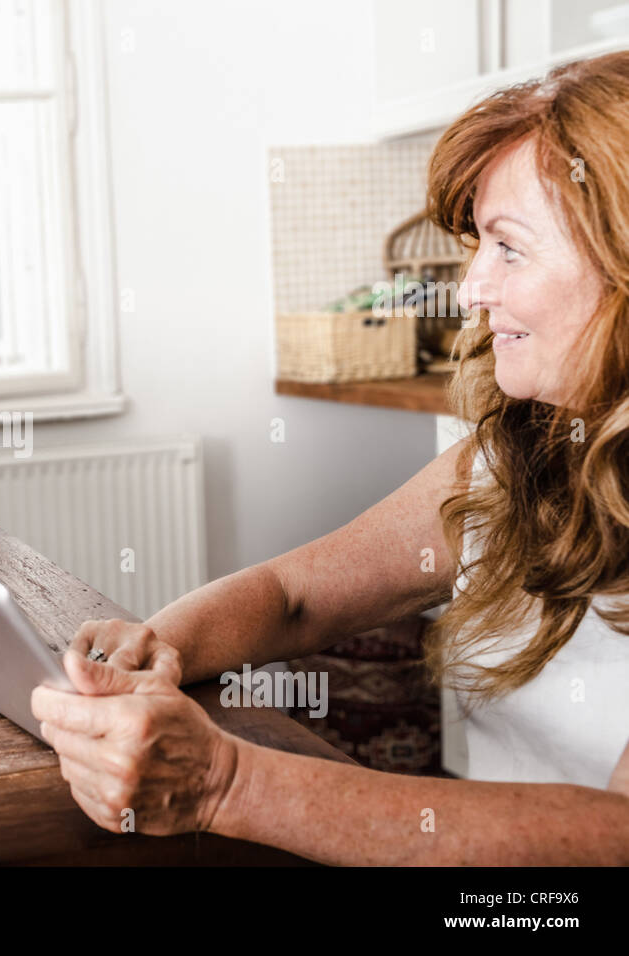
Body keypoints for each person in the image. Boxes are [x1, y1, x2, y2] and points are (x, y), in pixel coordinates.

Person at [32, 51, 629, 864]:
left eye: (509, 248)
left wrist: (225, 783)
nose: (469, 290)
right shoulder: (524, 448)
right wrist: (159, 646)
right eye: (477, 245)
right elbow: (298, 594)